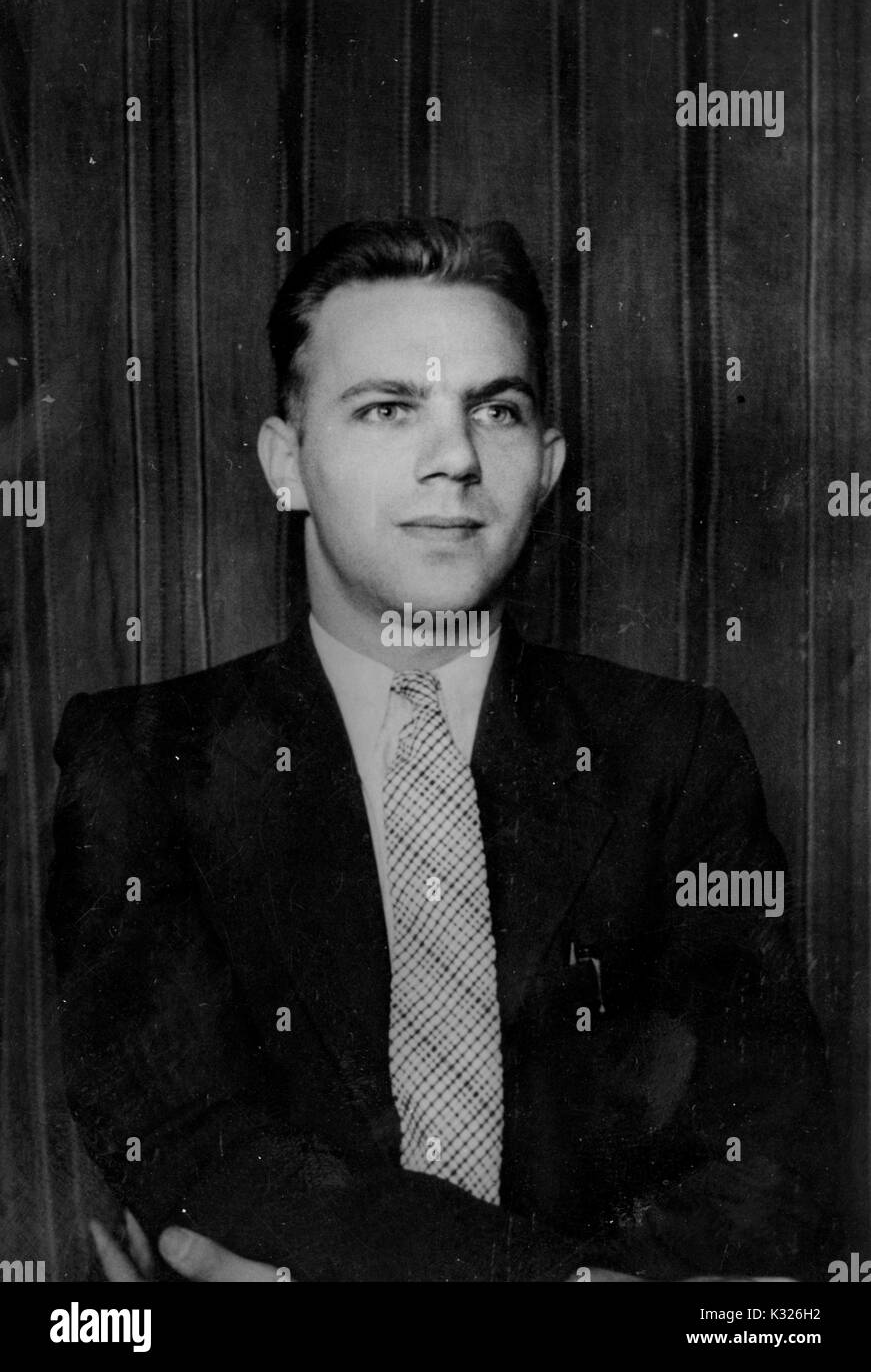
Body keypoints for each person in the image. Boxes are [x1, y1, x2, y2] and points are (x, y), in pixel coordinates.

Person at [48, 217, 839, 1283]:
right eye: (388, 408)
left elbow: (764, 1153)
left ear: (548, 463)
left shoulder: (673, 749)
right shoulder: (142, 759)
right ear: (287, 461)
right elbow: (195, 1145)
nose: (456, 458)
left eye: (497, 409)